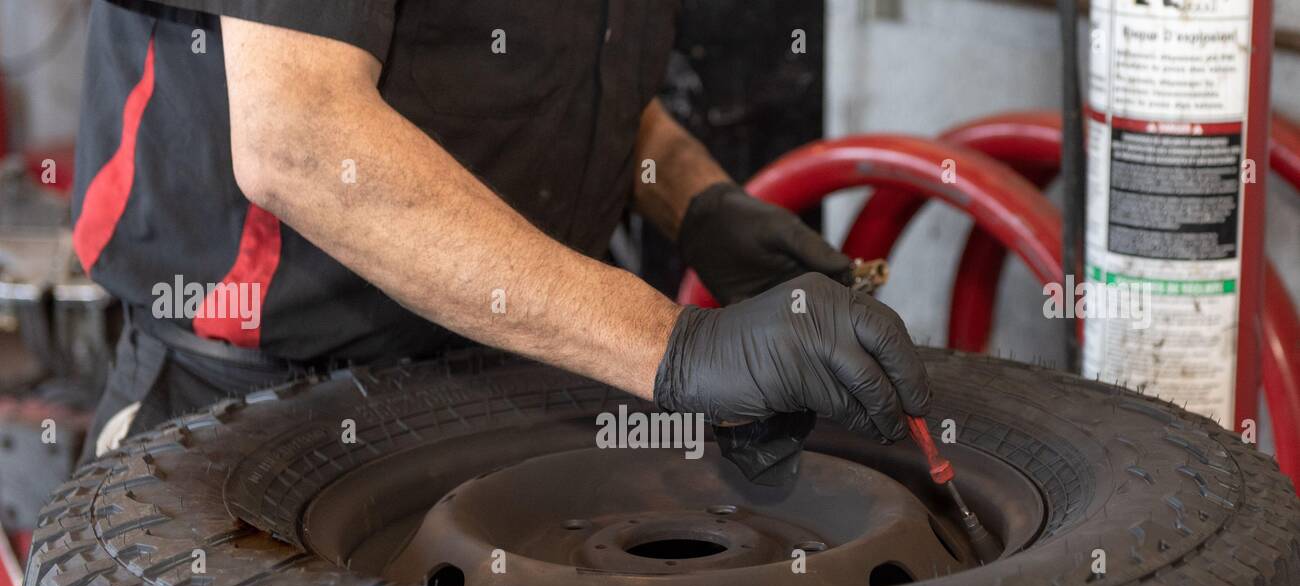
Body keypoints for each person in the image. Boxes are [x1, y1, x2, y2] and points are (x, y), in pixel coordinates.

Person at [74, 1, 931, 461]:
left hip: (526, 381)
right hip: (246, 417)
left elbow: (550, 78)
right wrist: (674, 345)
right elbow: (301, 136)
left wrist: (697, 201)